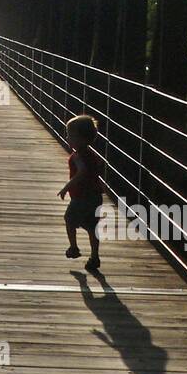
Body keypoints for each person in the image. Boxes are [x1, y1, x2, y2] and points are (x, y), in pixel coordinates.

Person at [58, 113, 107, 274]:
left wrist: (67, 187)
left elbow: (82, 172)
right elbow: (98, 167)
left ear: (80, 138)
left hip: (81, 197)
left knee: (69, 219)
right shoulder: (92, 154)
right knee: (92, 227)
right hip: (95, 196)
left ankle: (73, 247)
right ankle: (94, 257)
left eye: (70, 135)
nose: (67, 138)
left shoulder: (78, 156)